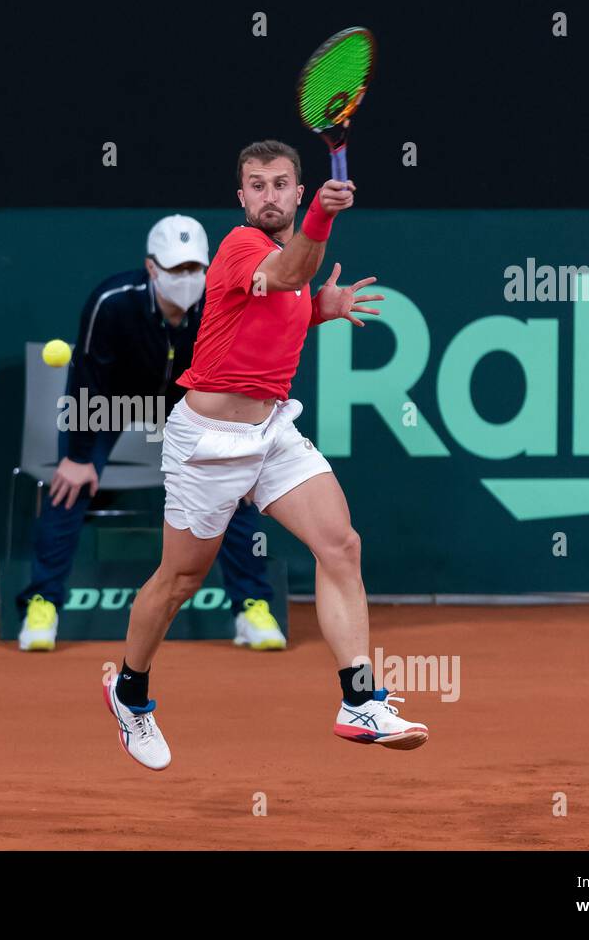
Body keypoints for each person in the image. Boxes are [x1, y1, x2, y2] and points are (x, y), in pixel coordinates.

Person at [102, 140, 429, 769]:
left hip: (273, 431)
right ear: (242, 196)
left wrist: (318, 314)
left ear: (296, 189)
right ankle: (130, 693)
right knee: (180, 581)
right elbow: (287, 276)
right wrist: (324, 220)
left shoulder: (287, 257)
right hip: (208, 445)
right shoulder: (238, 248)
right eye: (256, 185)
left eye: (281, 184)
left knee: (341, 544)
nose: (269, 195)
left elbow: (281, 303)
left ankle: (359, 702)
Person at [16, 215, 286, 652]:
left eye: (196, 268)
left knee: (232, 489)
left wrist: (237, 450)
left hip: (189, 405)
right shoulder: (112, 302)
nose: (188, 278)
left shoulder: (223, 304)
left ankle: (251, 606)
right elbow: (87, 378)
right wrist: (79, 456)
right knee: (69, 486)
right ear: (151, 267)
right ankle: (43, 604)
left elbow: (237, 379)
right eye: (177, 269)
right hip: (114, 403)